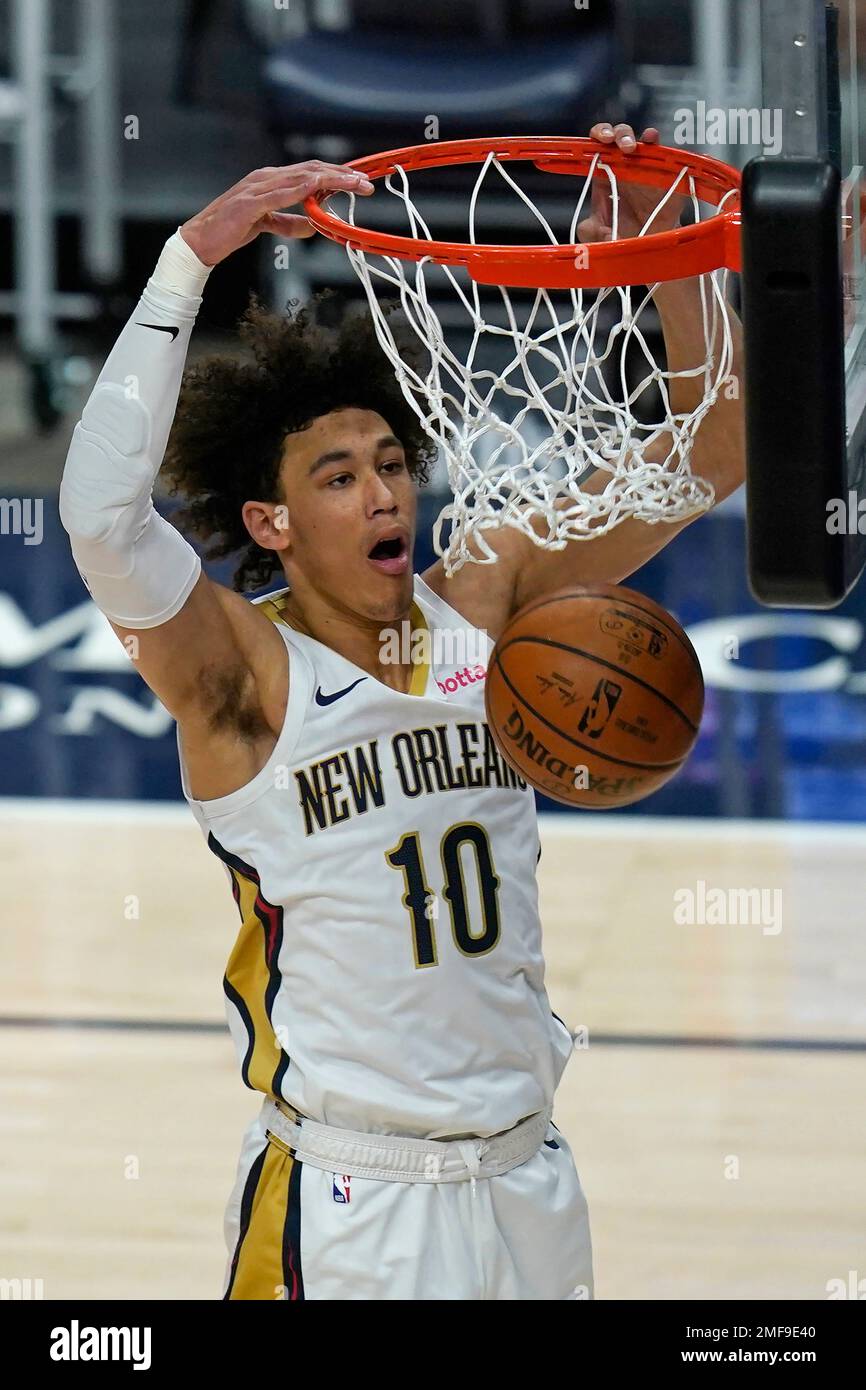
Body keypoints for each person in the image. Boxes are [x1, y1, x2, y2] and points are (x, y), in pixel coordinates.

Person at [59, 123, 744, 1300]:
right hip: (350, 1202)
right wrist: (187, 260)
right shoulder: (240, 675)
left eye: (388, 461)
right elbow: (99, 523)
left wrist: (658, 245)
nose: (382, 491)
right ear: (269, 522)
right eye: (336, 477)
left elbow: (711, 448)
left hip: (530, 1175)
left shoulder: (492, 592)